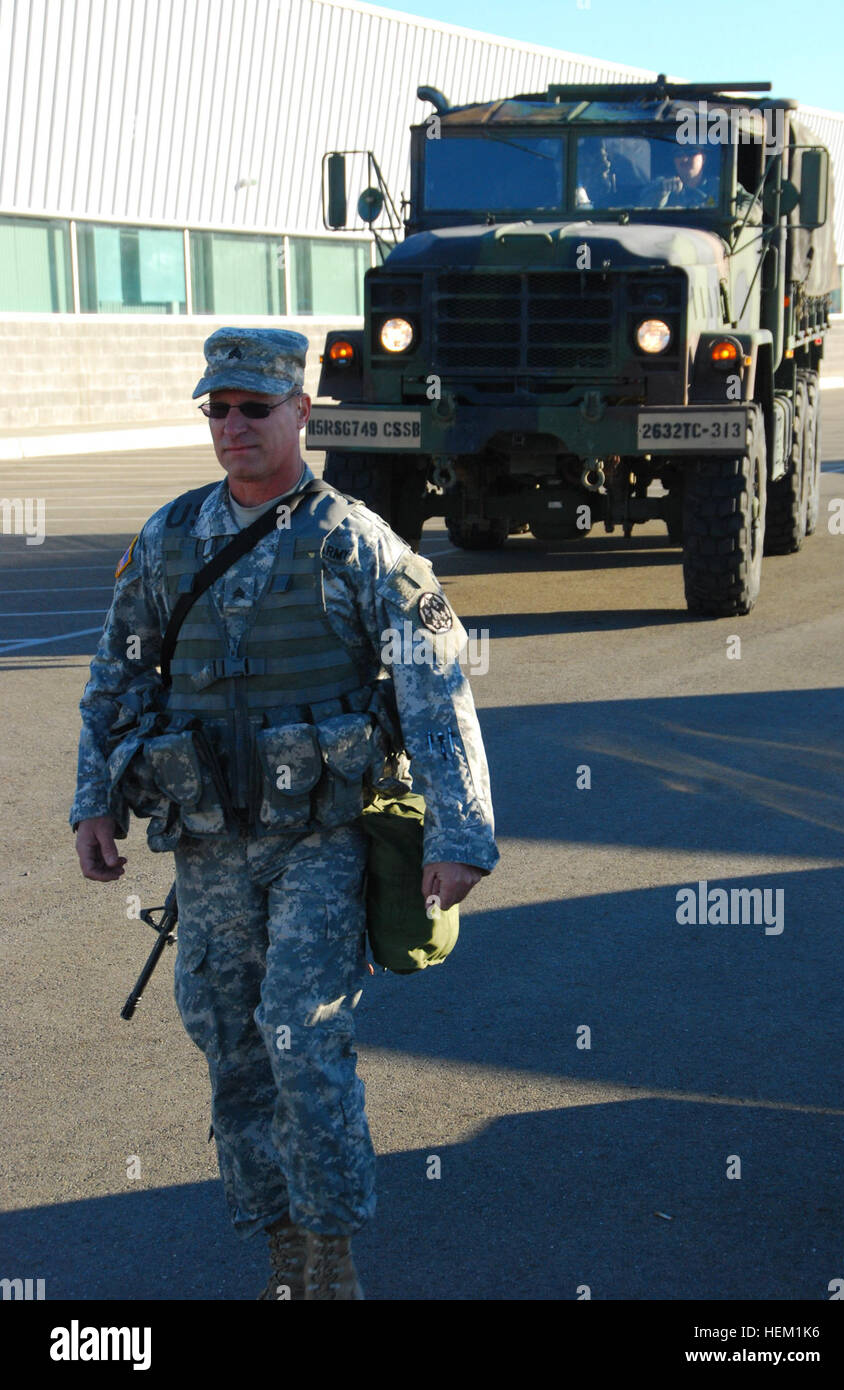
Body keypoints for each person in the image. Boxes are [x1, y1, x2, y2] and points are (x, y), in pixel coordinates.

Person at [71, 327, 499, 1300]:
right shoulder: (169, 538)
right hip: (210, 846)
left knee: (301, 1035)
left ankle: (332, 1249)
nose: (233, 427)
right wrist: (92, 800)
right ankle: (278, 1244)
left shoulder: (354, 538)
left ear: (300, 412)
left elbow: (436, 680)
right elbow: (114, 679)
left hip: (321, 838)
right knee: (229, 1047)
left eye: (253, 409)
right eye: (216, 409)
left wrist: (459, 830)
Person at [648, 145, 719, 208]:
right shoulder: (661, 185)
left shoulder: (718, 187)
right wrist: (661, 194)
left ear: (703, 158)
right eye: (679, 154)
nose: (684, 159)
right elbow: (644, 208)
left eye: (691, 152)